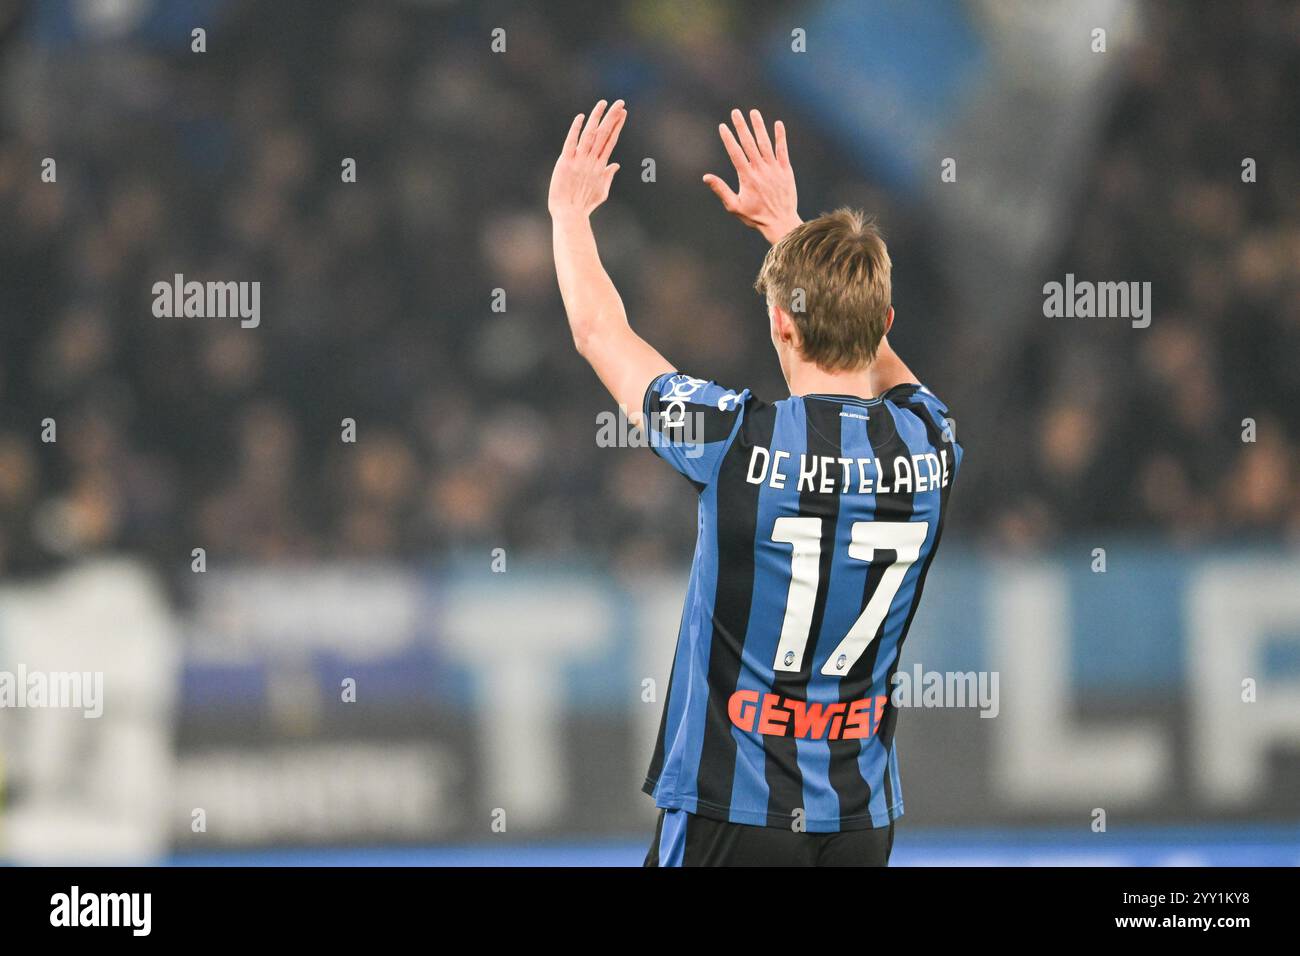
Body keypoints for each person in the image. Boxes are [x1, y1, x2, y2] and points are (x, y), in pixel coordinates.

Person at [549, 100, 963, 866]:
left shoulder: (739, 438)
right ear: (886, 319)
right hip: (859, 822)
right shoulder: (931, 442)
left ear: (780, 324)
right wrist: (793, 234)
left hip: (733, 811)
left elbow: (598, 332)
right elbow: (881, 359)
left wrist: (568, 213)